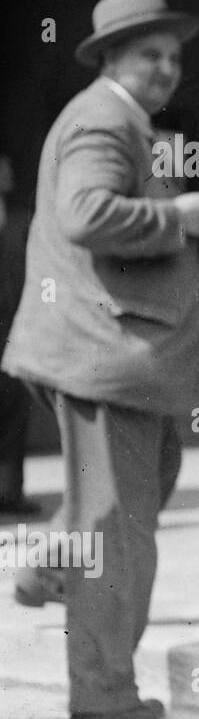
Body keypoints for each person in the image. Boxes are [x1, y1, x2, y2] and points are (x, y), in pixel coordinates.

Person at [1, 0, 199, 719]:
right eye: (149, 55)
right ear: (109, 57)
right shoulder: (104, 118)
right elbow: (84, 212)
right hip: (105, 354)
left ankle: (46, 567)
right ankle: (102, 694)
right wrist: (182, 216)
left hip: (121, 360)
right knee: (117, 530)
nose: (167, 68)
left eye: (173, 56)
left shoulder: (122, 118)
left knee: (136, 492)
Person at [0, 153, 39, 515]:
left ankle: (11, 492)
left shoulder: (20, 222)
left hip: (15, 328)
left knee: (15, 411)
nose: (8, 173)